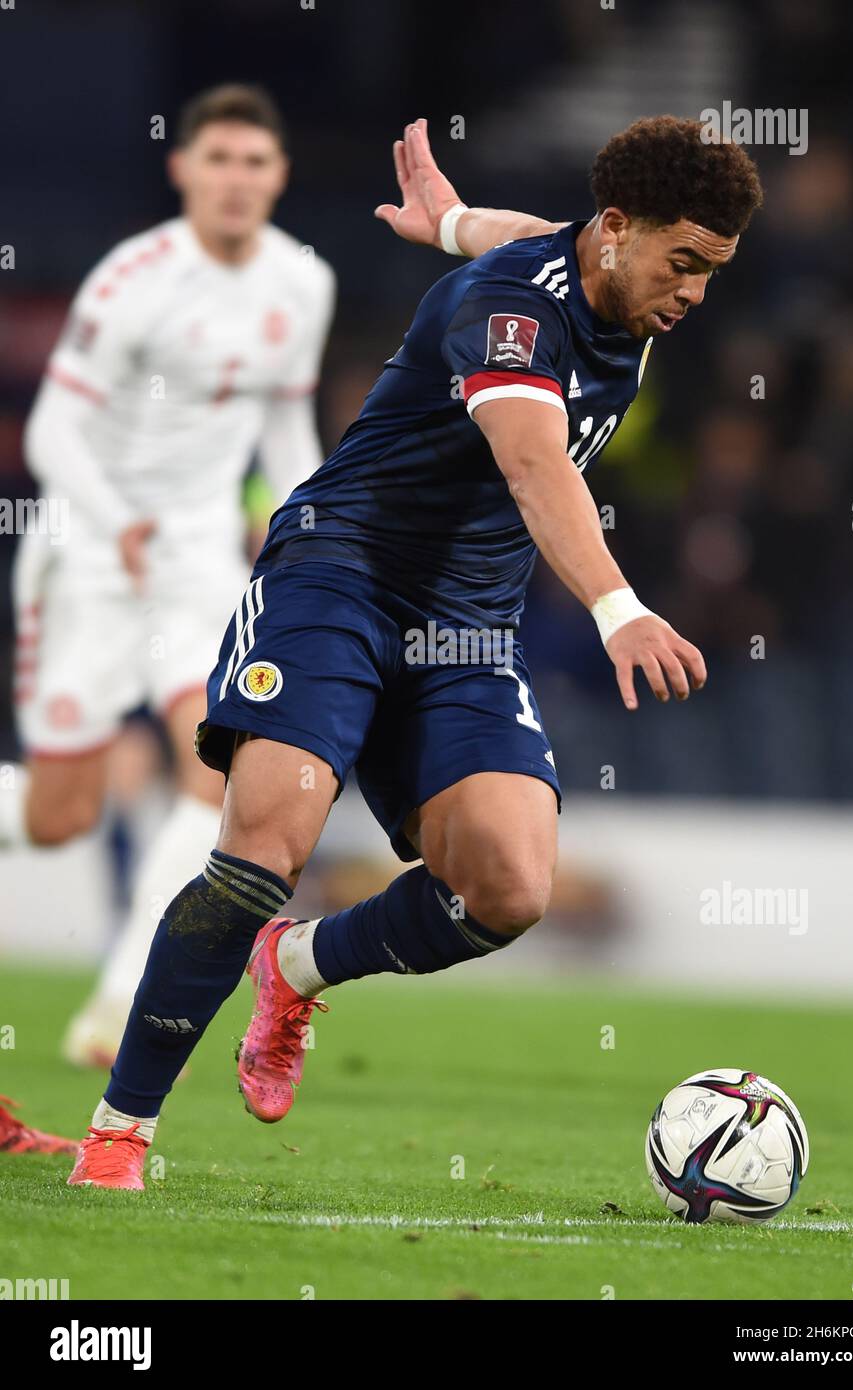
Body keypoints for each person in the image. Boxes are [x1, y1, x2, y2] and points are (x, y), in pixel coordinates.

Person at [66, 115, 762, 1190]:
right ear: (619, 231)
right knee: (265, 848)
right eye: (687, 263)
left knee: (510, 886)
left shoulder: (605, 271)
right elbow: (535, 466)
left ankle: (296, 967)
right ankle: (120, 1131)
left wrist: (450, 221)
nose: (697, 294)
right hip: (337, 581)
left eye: (715, 271)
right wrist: (618, 607)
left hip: (467, 629)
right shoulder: (505, 311)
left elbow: (532, 230)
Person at [0, 85, 335, 1154]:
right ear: (183, 169)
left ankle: (112, 1009)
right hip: (90, 557)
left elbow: (285, 425)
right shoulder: (135, 277)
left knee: (219, 769)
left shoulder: (303, 280)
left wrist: (313, 532)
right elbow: (53, 430)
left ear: (278, 177)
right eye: (219, 159)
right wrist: (115, 519)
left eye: (256, 161)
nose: (237, 178)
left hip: (196, 559)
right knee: (60, 813)